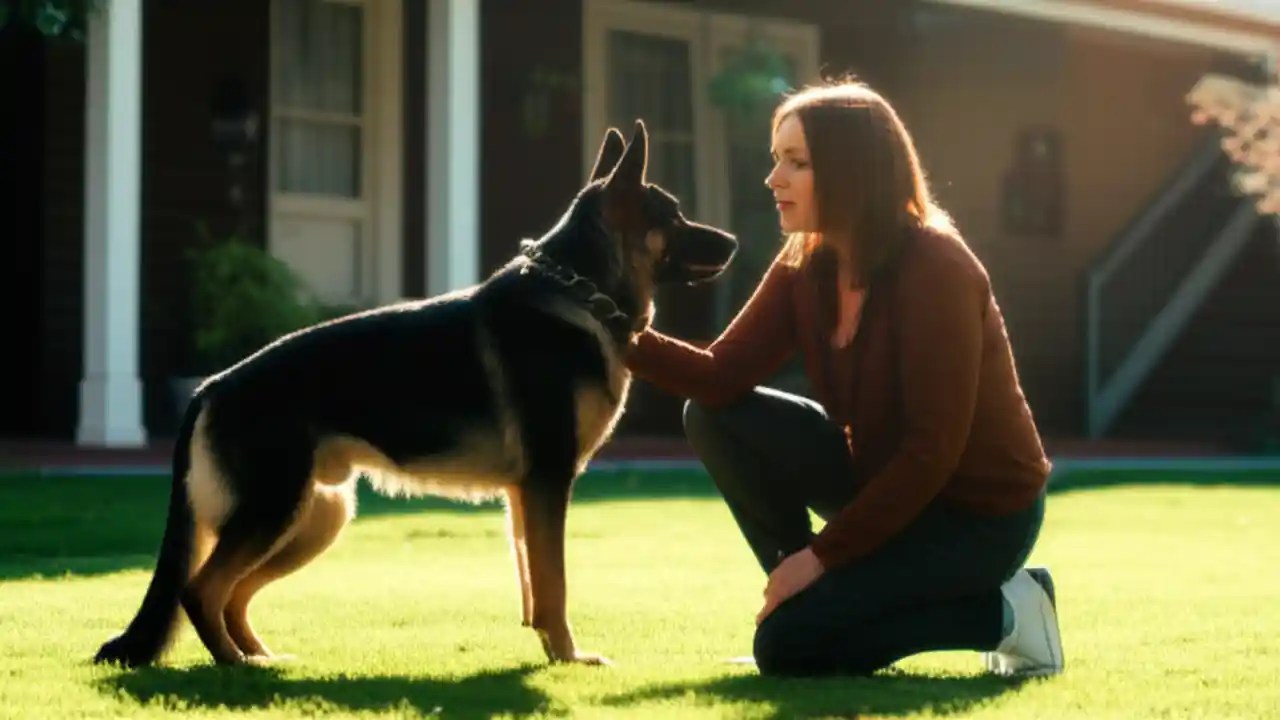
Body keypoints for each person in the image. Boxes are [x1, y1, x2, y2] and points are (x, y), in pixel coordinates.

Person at [624, 79, 1064, 678]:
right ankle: (803, 611)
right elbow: (720, 377)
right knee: (714, 416)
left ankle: (1009, 611)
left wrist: (824, 555)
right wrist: (606, 327)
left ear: (852, 171)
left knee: (787, 652)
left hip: (978, 519)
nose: (773, 179)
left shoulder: (938, 268)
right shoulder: (806, 259)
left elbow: (931, 452)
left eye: (796, 163)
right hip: (886, 487)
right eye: (776, 159)